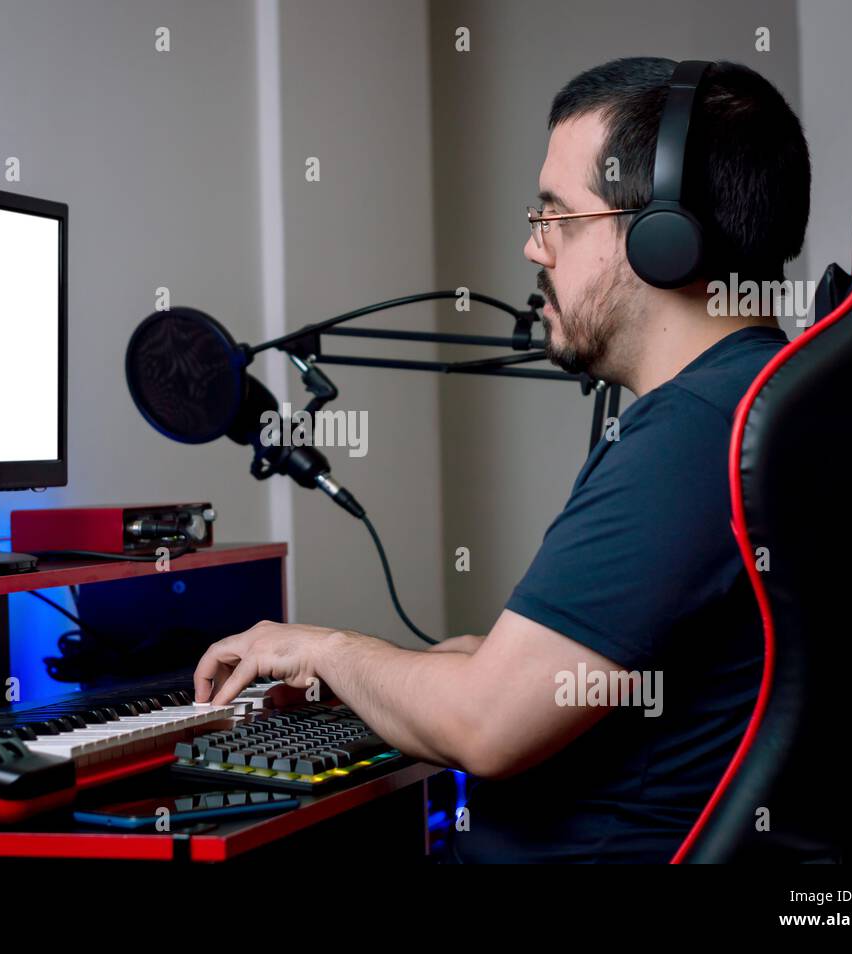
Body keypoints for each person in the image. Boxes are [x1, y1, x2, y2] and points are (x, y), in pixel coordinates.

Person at [193, 57, 810, 863]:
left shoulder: (693, 440)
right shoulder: (764, 406)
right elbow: (559, 670)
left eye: (556, 218)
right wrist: (373, 670)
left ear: (663, 238)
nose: (531, 248)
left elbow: (483, 726)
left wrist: (330, 653)